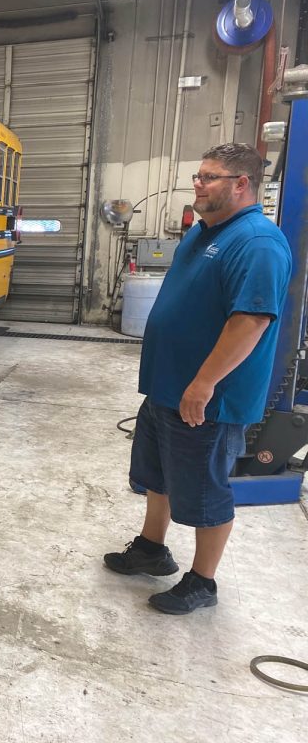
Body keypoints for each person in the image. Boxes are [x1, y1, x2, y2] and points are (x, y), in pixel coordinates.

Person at [104, 143, 292, 614]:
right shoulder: (204, 231)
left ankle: (203, 582)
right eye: (198, 176)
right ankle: (152, 548)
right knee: (157, 475)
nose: (198, 185)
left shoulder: (257, 242)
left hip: (209, 398)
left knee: (206, 491)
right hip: (167, 386)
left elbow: (250, 321)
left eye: (210, 178)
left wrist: (203, 384)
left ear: (241, 184)